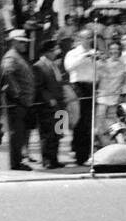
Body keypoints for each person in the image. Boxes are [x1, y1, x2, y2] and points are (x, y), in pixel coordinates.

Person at [0, 30, 35, 171]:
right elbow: (7, 75)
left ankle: (18, 160)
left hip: (24, 102)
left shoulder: (19, 56)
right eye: (21, 42)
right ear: (13, 42)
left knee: (21, 133)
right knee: (16, 134)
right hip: (16, 103)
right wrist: (17, 94)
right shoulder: (11, 57)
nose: (24, 44)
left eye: (25, 42)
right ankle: (15, 163)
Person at [63, 29, 99, 165]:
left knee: (89, 122)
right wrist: (84, 57)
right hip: (79, 87)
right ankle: (80, 154)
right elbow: (69, 67)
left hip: (92, 86)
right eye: (86, 38)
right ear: (80, 39)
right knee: (79, 121)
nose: (89, 40)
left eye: (91, 37)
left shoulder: (94, 52)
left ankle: (86, 152)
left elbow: (98, 71)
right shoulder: (73, 53)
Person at [32, 40, 65, 168]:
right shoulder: (39, 66)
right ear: (47, 52)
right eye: (54, 50)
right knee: (48, 134)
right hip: (47, 106)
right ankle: (47, 160)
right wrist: (49, 99)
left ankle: (55, 158)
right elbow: (39, 87)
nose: (56, 52)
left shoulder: (55, 65)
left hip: (60, 105)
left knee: (58, 133)